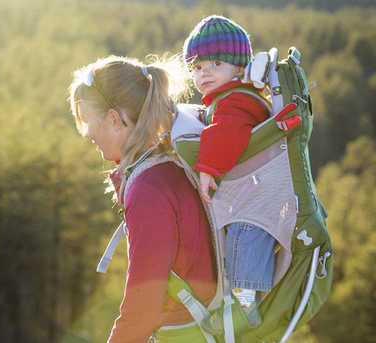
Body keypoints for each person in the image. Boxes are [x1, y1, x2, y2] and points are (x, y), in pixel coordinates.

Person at [69, 56, 217, 342]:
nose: (88, 135)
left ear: (114, 119)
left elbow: (143, 306)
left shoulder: (148, 190)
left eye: (88, 122)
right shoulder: (167, 165)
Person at [183, 15, 277, 315]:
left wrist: (208, 168)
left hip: (256, 201)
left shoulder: (237, 100)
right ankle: (241, 302)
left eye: (216, 64)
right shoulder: (225, 99)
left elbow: (227, 132)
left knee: (244, 242)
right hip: (250, 194)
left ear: (239, 67)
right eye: (197, 67)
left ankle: (245, 309)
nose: (205, 73)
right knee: (239, 242)